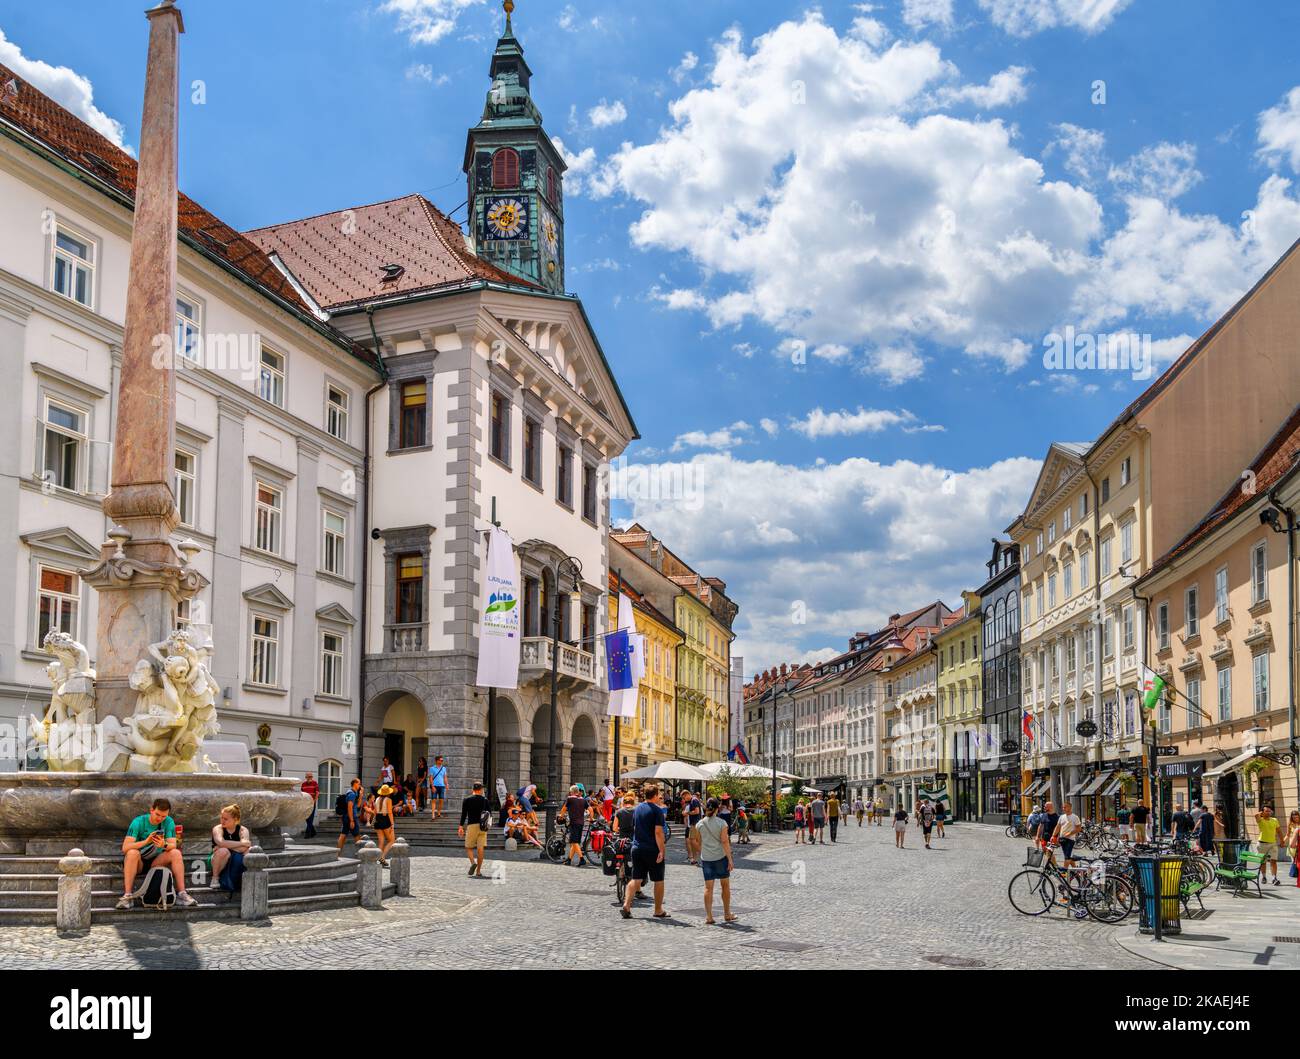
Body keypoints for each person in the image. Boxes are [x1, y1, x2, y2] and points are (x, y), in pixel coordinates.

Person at [116, 798, 198, 909]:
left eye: (163, 816)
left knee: (176, 853)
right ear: (151, 810)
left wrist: (163, 845)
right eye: (157, 814)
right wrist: (146, 841)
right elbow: (125, 847)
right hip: (139, 862)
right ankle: (127, 896)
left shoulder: (168, 821)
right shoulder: (138, 821)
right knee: (131, 853)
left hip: (157, 862)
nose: (160, 818)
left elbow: (173, 845)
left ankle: (182, 894)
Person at [621, 784, 668, 919]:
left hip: (637, 847)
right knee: (658, 880)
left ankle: (626, 905)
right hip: (652, 848)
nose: (660, 798)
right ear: (654, 795)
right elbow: (658, 832)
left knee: (636, 878)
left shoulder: (637, 809)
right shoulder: (657, 811)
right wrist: (662, 850)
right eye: (658, 795)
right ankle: (658, 910)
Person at [696, 797, 738, 924]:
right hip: (720, 858)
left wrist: (702, 852)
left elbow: (698, 841)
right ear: (717, 809)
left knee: (708, 888)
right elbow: (725, 842)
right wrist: (730, 859)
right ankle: (727, 914)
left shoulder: (700, 824)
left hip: (706, 859)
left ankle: (709, 916)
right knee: (725, 886)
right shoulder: (721, 823)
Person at [208, 803, 251, 893]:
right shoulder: (218, 828)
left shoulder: (243, 830)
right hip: (217, 860)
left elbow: (244, 849)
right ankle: (215, 878)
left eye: (226, 819)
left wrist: (224, 844)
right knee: (223, 851)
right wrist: (241, 843)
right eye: (221, 818)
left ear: (235, 819)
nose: (222, 821)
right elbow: (220, 842)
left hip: (234, 861)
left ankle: (243, 878)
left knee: (249, 851)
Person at [458, 781, 491, 877]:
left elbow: (464, 814)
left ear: (473, 789)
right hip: (482, 826)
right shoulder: (485, 800)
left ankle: (473, 863)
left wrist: (461, 826)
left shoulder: (467, 799)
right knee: (480, 849)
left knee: (468, 847)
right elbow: (490, 814)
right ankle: (478, 871)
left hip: (471, 825)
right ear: (480, 790)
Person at [560, 784, 589, 868]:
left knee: (574, 842)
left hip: (573, 823)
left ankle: (582, 859)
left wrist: (560, 816)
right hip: (581, 823)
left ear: (571, 792)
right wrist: (590, 818)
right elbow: (590, 809)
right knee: (575, 842)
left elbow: (563, 809)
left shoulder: (570, 799)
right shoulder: (583, 800)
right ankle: (569, 860)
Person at [336, 778, 365, 857]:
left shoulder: (354, 793)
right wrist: (352, 820)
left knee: (343, 835)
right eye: (359, 783)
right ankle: (362, 855)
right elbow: (350, 807)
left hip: (348, 816)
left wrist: (361, 795)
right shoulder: (351, 793)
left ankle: (337, 854)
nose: (360, 785)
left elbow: (358, 805)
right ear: (355, 783)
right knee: (356, 836)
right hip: (351, 817)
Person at [1255, 805, 1282, 885]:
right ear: (1262, 812)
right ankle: (1264, 877)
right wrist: (1262, 813)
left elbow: (1279, 831)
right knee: (1263, 861)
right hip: (1262, 844)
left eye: (1269, 811)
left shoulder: (1274, 820)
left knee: (1273, 861)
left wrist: (1282, 841)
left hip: (1272, 844)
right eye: (1266, 811)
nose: (1268, 812)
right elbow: (1256, 815)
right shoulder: (1260, 820)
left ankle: (1274, 878)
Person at [373, 784, 397, 867]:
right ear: (388, 792)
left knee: (381, 841)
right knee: (391, 840)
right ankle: (382, 857)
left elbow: (375, 812)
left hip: (378, 820)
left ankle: (379, 857)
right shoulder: (388, 800)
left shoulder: (377, 799)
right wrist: (392, 824)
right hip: (385, 819)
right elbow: (390, 813)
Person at [1053, 801, 1082, 868]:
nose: (1063, 808)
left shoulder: (1075, 817)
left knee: (1067, 857)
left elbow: (1079, 828)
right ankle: (1076, 871)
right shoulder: (1061, 817)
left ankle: (1064, 872)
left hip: (1070, 839)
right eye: (1063, 807)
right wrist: (1053, 836)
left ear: (1070, 807)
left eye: (1065, 807)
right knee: (1068, 856)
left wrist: (1070, 833)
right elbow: (1058, 827)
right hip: (1062, 839)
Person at [685, 789, 704, 864]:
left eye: (684, 798)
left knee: (692, 840)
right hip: (694, 823)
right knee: (694, 841)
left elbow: (697, 811)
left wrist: (687, 812)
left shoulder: (694, 800)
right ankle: (695, 859)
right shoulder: (693, 800)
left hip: (695, 823)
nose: (684, 799)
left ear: (687, 795)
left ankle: (703, 855)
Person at [301, 770, 320, 839]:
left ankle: (308, 833)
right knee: (306, 817)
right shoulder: (303, 784)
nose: (310, 777)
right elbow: (302, 794)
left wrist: (314, 800)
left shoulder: (315, 783)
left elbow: (317, 793)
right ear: (306, 777)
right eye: (308, 776)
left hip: (312, 803)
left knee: (310, 817)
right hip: (306, 803)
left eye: (311, 776)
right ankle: (313, 832)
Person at [1285, 811, 1300, 888]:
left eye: (1297, 817)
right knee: (1294, 862)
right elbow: (1287, 835)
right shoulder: (1290, 824)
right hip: (1292, 846)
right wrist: (1283, 841)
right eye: (1294, 817)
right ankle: (1297, 877)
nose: (1296, 819)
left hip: (1299, 845)